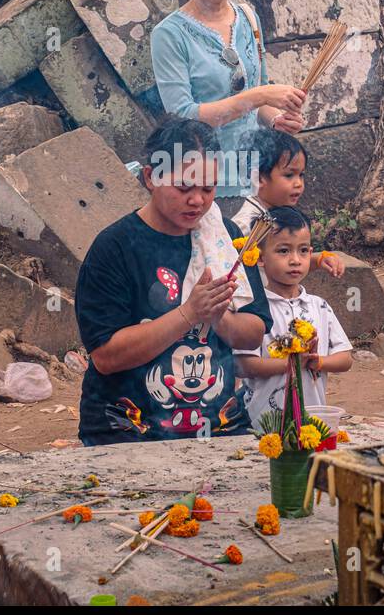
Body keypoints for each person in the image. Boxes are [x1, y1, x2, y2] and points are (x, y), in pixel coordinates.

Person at [75, 117, 270, 445]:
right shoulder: (115, 247)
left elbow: (253, 335)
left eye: (208, 188)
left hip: (218, 422)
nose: (197, 201)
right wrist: (189, 314)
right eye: (184, 187)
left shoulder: (225, 239)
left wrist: (217, 314)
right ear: (150, 177)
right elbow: (106, 357)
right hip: (128, 427)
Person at [151, 0, 307, 201]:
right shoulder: (169, 35)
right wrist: (258, 96)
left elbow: (258, 97)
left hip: (251, 177)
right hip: (200, 184)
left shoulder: (248, 17)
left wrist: (277, 120)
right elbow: (182, 116)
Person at [235, 207, 353, 425]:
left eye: (304, 250)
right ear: (260, 258)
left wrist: (318, 362)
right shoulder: (254, 310)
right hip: (263, 425)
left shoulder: (320, 307)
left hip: (311, 422)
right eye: (283, 251)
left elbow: (345, 359)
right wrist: (292, 364)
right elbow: (244, 365)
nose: (295, 260)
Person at [233, 130, 344, 278]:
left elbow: (285, 265)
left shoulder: (279, 215)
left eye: (301, 175)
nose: (298, 183)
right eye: (289, 175)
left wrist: (319, 260)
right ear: (258, 178)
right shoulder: (244, 228)